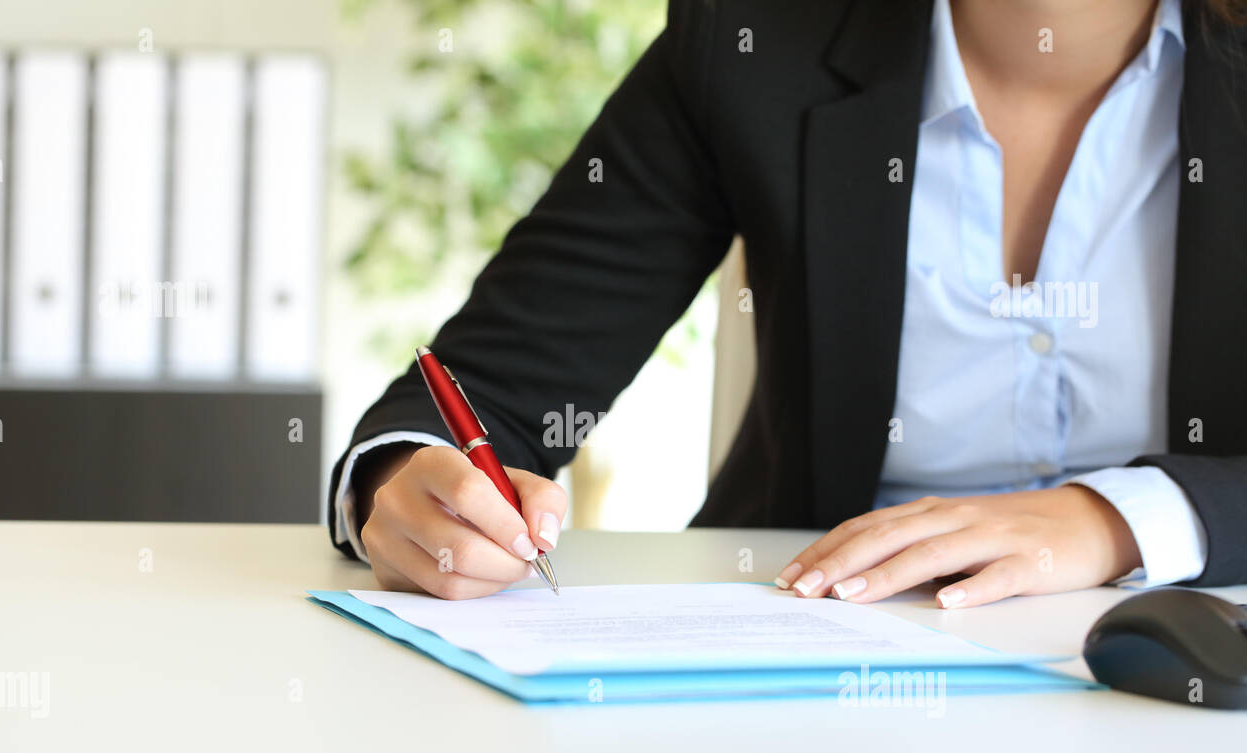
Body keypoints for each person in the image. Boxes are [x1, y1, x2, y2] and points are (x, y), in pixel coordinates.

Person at [329, 0, 1247, 605]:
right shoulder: (755, 41)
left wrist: (1119, 518)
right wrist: (411, 487)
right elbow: (479, 394)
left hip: (1187, 668)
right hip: (820, 659)